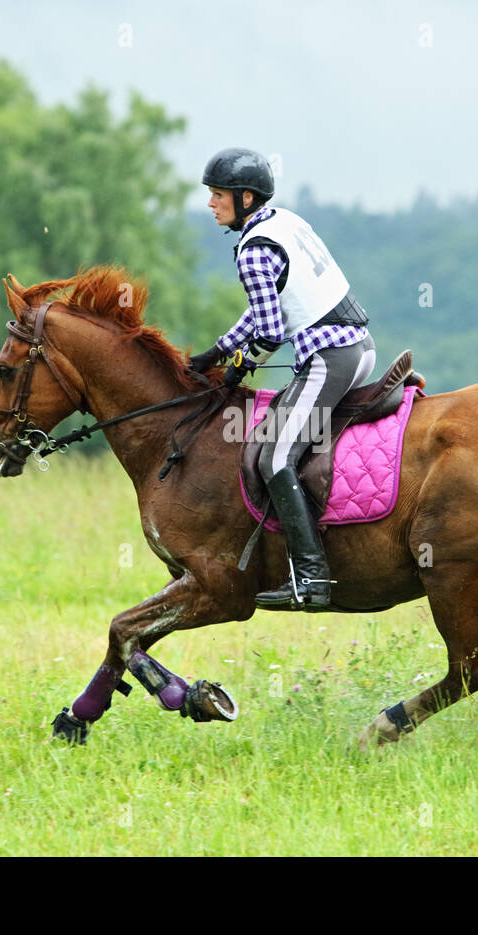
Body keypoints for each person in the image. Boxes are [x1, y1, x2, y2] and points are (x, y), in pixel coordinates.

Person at [189, 147, 376, 610]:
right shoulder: (283, 222)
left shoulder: (253, 250)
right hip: (357, 348)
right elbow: (263, 311)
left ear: (246, 197)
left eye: (218, 195)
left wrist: (240, 364)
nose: (210, 203)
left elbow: (270, 332)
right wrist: (219, 351)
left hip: (330, 359)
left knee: (274, 457)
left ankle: (311, 580)